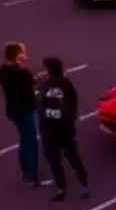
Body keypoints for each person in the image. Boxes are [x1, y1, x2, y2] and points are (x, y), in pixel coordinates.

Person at [38, 57, 89, 201]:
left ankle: (83, 185)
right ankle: (62, 188)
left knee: (73, 159)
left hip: (61, 130)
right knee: (55, 161)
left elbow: (69, 107)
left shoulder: (63, 85)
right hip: (51, 131)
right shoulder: (46, 84)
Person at [0, 42, 48, 186]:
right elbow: (30, 91)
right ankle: (32, 175)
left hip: (13, 110)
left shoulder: (4, 70)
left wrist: (37, 79)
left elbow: (22, 85)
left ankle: (26, 171)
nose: (26, 55)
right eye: (23, 52)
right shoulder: (22, 73)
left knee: (25, 139)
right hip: (25, 109)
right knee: (30, 141)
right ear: (17, 55)